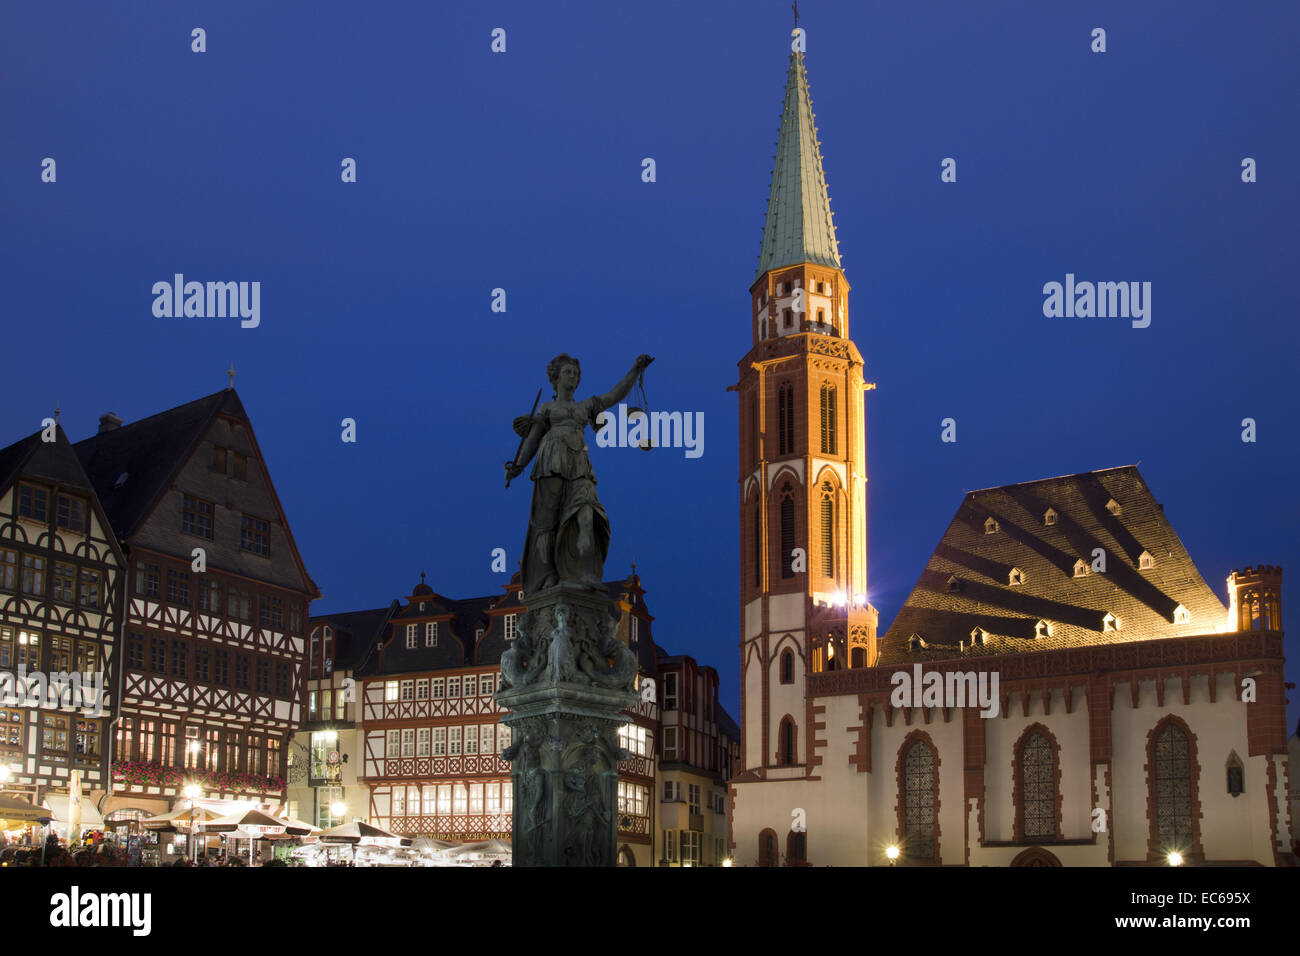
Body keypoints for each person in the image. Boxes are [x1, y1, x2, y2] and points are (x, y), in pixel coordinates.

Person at [506, 353, 654, 595]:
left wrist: (635, 370)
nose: (572, 376)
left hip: (579, 463)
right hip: (551, 461)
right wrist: (519, 466)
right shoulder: (547, 407)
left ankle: (587, 575)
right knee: (547, 523)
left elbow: (615, 395)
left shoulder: (584, 406)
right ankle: (547, 575)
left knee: (588, 515)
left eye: (575, 373)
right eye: (567, 372)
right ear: (556, 377)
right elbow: (532, 440)